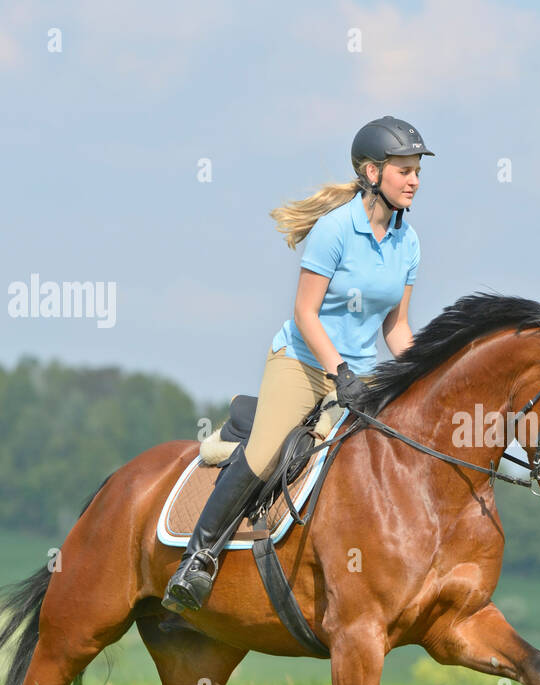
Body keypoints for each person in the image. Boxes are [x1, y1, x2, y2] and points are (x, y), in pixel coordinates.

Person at [163, 116, 433, 613]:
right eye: (404, 170)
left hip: (362, 375)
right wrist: (339, 371)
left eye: (417, 170)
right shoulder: (334, 231)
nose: (414, 179)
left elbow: (396, 327)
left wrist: (424, 372)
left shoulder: (408, 242)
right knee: (267, 454)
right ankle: (198, 557)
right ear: (372, 173)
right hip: (304, 361)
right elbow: (304, 313)